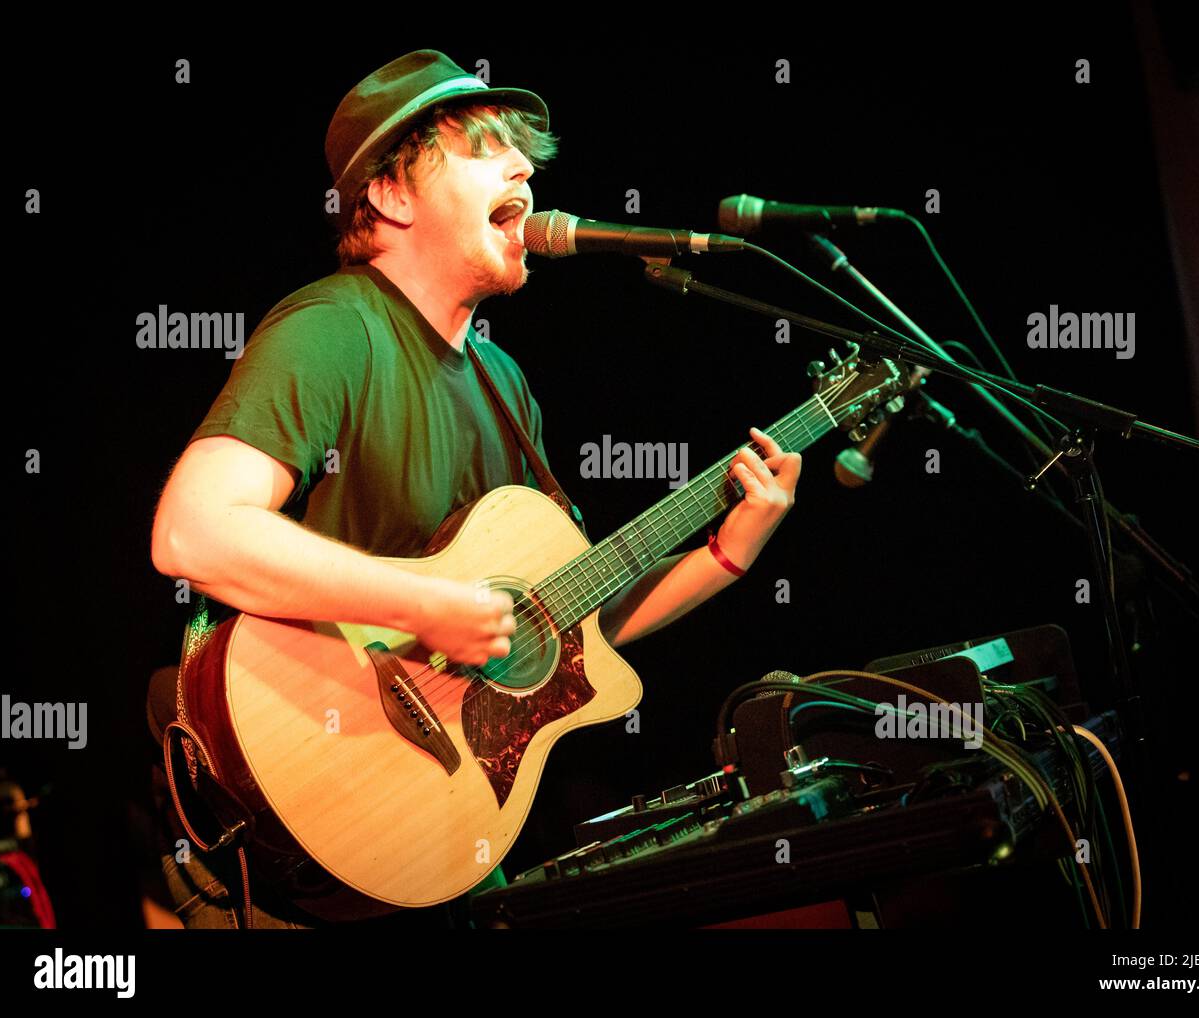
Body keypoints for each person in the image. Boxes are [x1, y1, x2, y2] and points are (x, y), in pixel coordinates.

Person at [148, 49, 802, 928]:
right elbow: (193, 533)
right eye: (485, 147)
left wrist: (728, 553)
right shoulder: (336, 331)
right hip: (309, 809)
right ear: (392, 195)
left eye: (523, 153)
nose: (525, 169)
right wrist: (424, 604)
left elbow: (568, 632)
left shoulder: (503, 378)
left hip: (439, 836)